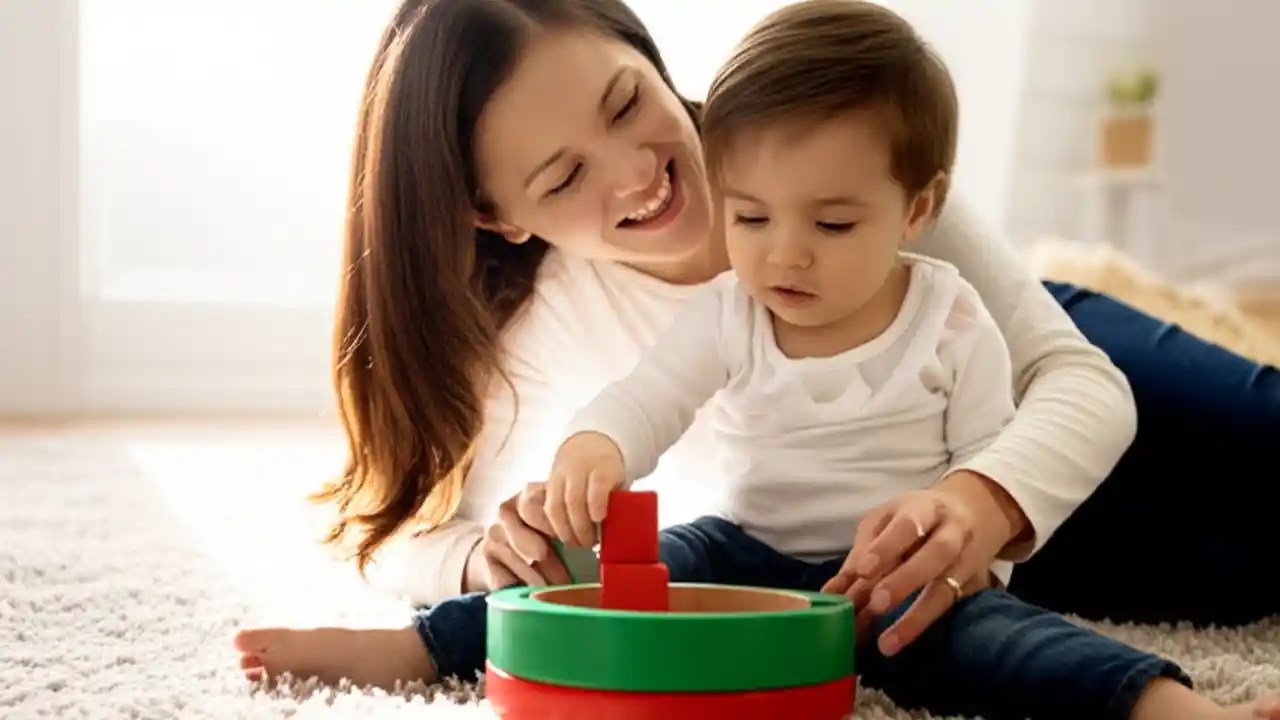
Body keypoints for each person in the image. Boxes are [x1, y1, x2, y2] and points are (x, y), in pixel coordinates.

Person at [233, 0, 1278, 709]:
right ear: (493, 215)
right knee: (1238, 572)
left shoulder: (815, 155)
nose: (641, 172)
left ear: (644, 53)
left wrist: (980, 497)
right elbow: (385, 528)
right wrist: (474, 558)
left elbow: (1076, 381)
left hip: (1019, 418)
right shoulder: (528, 335)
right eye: (562, 180)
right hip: (919, 556)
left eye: (625, 103)